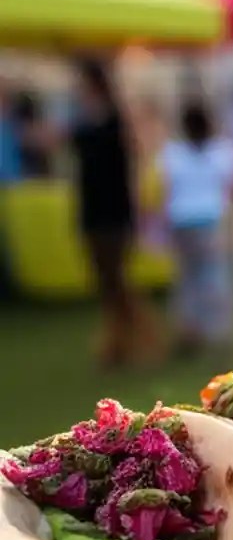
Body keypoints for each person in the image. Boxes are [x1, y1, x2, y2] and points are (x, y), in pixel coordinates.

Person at [70, 60, 152, 368]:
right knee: (107, 282)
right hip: (92, 208)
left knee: (117, 280)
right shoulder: (83, 120)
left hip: (114, 210)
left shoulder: (115, 121)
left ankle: (140, 338)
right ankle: (120, 342)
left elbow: (132, 160)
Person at [159, 102, 233, 356]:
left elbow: (166, 188)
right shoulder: (222, 151)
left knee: (188, 281)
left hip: (182, 221)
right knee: (216, 281)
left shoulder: (173, 153)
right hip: (211, 221)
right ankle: (219, 335)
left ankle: (190, 332)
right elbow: (232, 189)